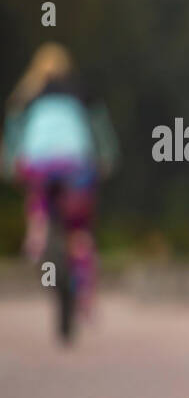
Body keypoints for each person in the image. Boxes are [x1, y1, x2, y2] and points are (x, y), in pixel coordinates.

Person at [2, 43, 117, 318]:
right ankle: (85, 289)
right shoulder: (81, 93)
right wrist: (106, 158)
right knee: (79, 227)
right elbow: (100, 130)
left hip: (39, 163)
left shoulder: (27, 95)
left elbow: (14, 135)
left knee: (38, 196)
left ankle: (37, 232)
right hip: (75, 162)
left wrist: (11, 165)